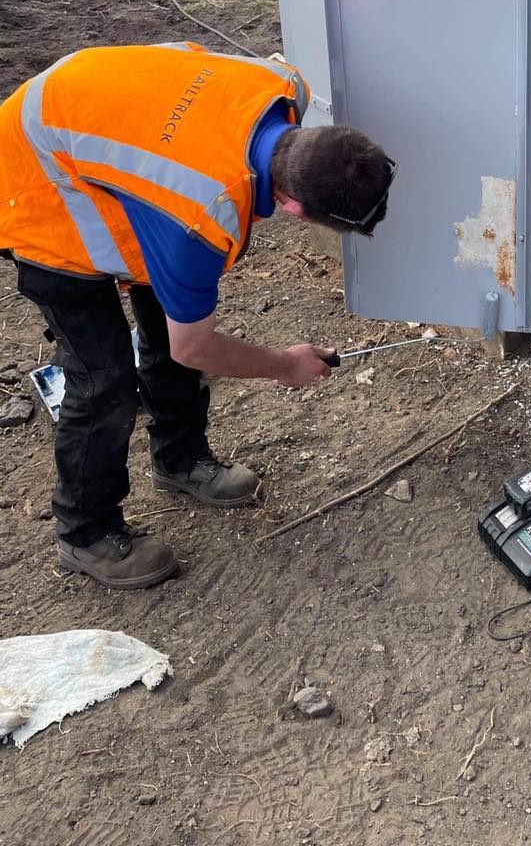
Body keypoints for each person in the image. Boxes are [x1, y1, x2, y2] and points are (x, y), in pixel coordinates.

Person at [0, 42, 395, 590]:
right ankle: (85, 533)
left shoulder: (283, 87)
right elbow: (195, 347)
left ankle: (180, 459)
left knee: (162, 324)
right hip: (35, 174)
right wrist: (284, 364)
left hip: (99, 121)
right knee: (104, 378)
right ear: (295, 207)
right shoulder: (199, 215)